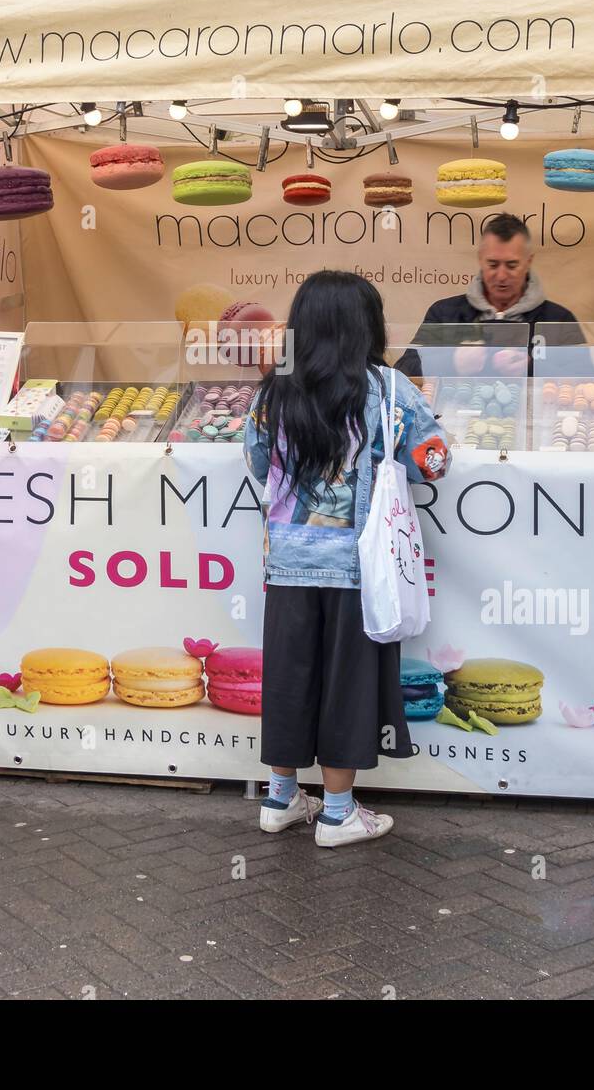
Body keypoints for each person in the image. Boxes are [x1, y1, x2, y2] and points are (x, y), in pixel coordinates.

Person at [243, 269, 451, 848]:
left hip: (287, 561)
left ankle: (280, 799)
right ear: (369, 325)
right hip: (359, 568)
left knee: (290, 678)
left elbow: (258, 464)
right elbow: (433, 463)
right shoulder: (387, 388)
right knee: (346, 683)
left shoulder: (274, 389)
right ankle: (337, 814)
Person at [397, 213, 584, 378]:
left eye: (511, 265)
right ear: (480, 259)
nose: (501, 275)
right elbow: (402, 371)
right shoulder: (444, 313)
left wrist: (532, 367)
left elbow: (587, 381)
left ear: (528, 262)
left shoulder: (559, 320)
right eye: (493, 265)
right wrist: (452, 362)